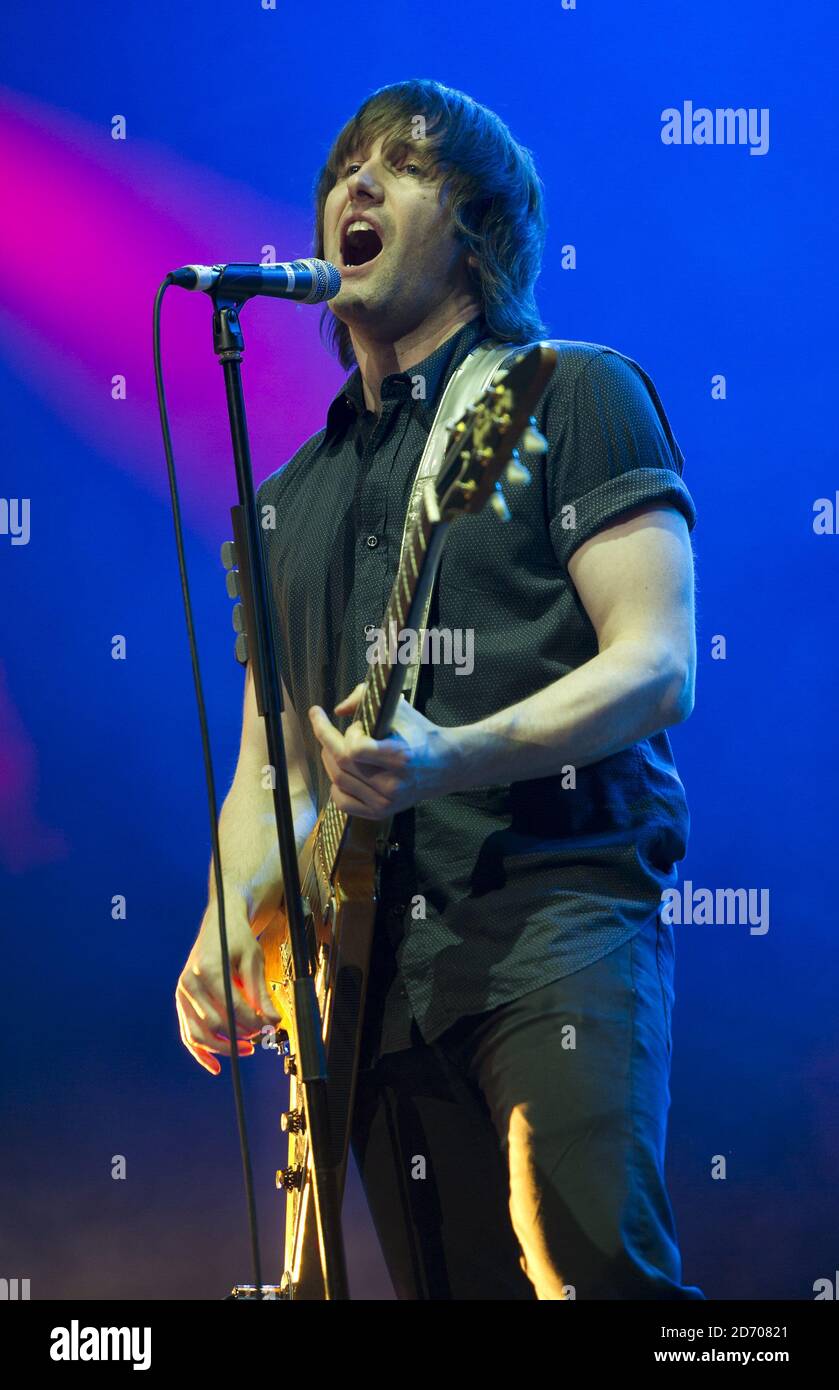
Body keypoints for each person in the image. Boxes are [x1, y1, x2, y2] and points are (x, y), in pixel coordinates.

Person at [176, 78, 705, 1301]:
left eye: (399, 166)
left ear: (474, 227)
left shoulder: (573, 392)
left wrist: (454, 756)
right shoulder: (287, 498)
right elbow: (280, 770)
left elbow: (656, 661)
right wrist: (219, 916)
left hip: (547, 914)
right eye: (342, 167)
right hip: (365, 970)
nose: (353, 184)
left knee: (583, 1266)